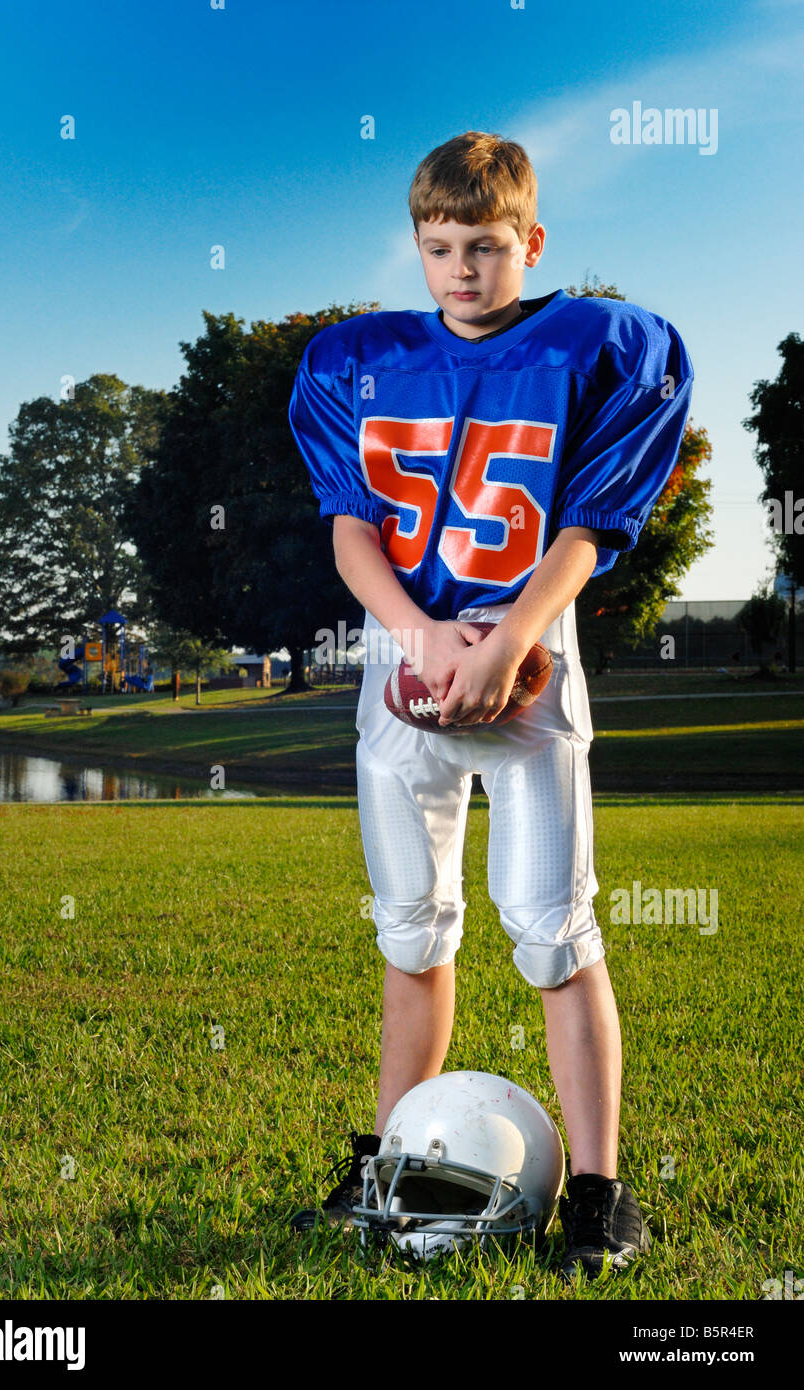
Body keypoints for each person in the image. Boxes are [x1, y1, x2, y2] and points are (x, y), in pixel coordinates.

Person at [287, 131, 693, 1280]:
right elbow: (351, 530)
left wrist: (509, 634)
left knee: (554, 933)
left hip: (528, 656)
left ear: (533, 242)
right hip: (403, 659)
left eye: (486, 246)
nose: (461, 269)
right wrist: (420, 635)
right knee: (411, 930)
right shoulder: (355, 361)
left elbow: (588, 526)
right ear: (416, 245)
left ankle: (601, 1191)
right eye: (438, 247)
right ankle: (390, 1157)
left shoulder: (600, 346)